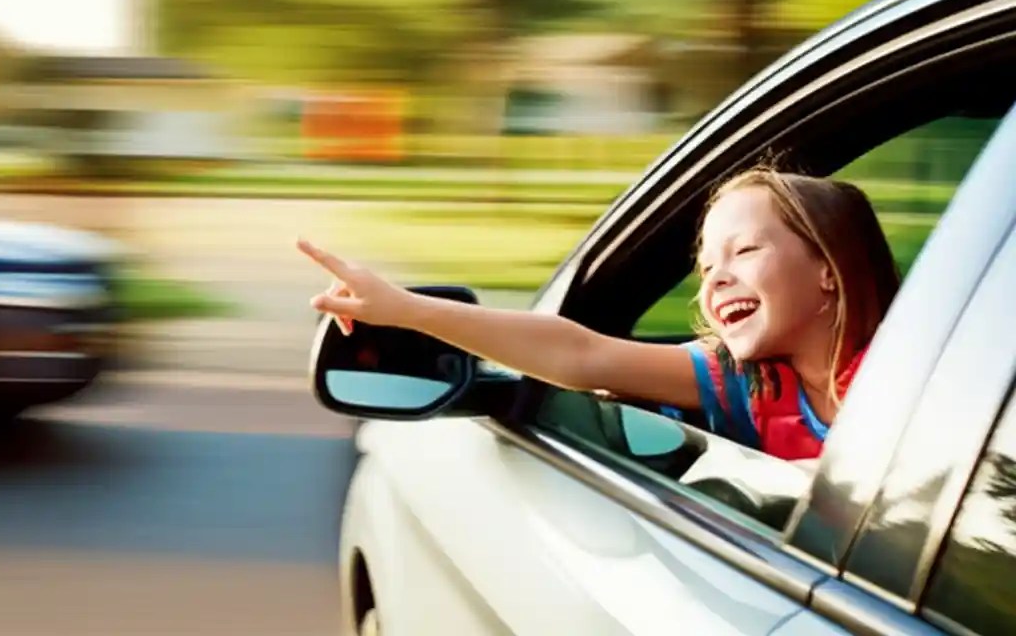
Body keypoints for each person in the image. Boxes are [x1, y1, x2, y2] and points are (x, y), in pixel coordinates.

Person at [297, 169, 902, 461]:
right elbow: (581, 355)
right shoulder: (750, 385)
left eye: (744, 250)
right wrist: (405, 310)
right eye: (706, 266)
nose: (717, 277)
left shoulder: (907, 380)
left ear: (829, 266)